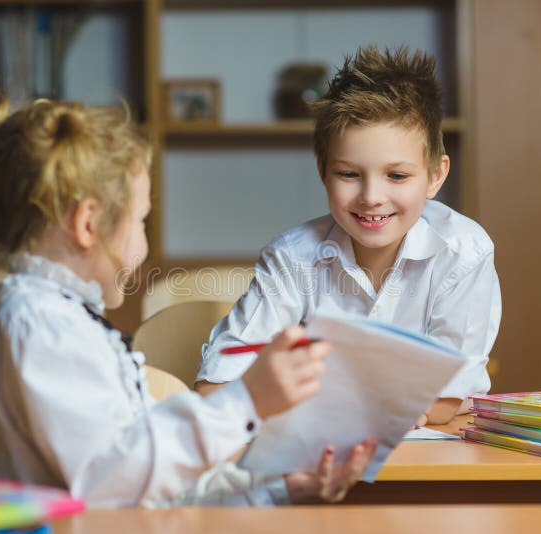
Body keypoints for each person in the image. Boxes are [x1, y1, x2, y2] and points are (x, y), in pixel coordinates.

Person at [0, 93, 376, 507]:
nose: (144, 244)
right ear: (88, 224)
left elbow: (153, 478)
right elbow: (115, 480)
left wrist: (281, 488)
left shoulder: (62, 320)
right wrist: (246, 400)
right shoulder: (42, 327)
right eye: (141, 221)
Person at [196, 46, 501, 426]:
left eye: (397, 176)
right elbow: (216, 384)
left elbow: (450, 392)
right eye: (349, 174)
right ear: (323, 169)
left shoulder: (463, 252)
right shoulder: (292, 258)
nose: (372, 197)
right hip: (310, 456)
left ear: (435, 176)